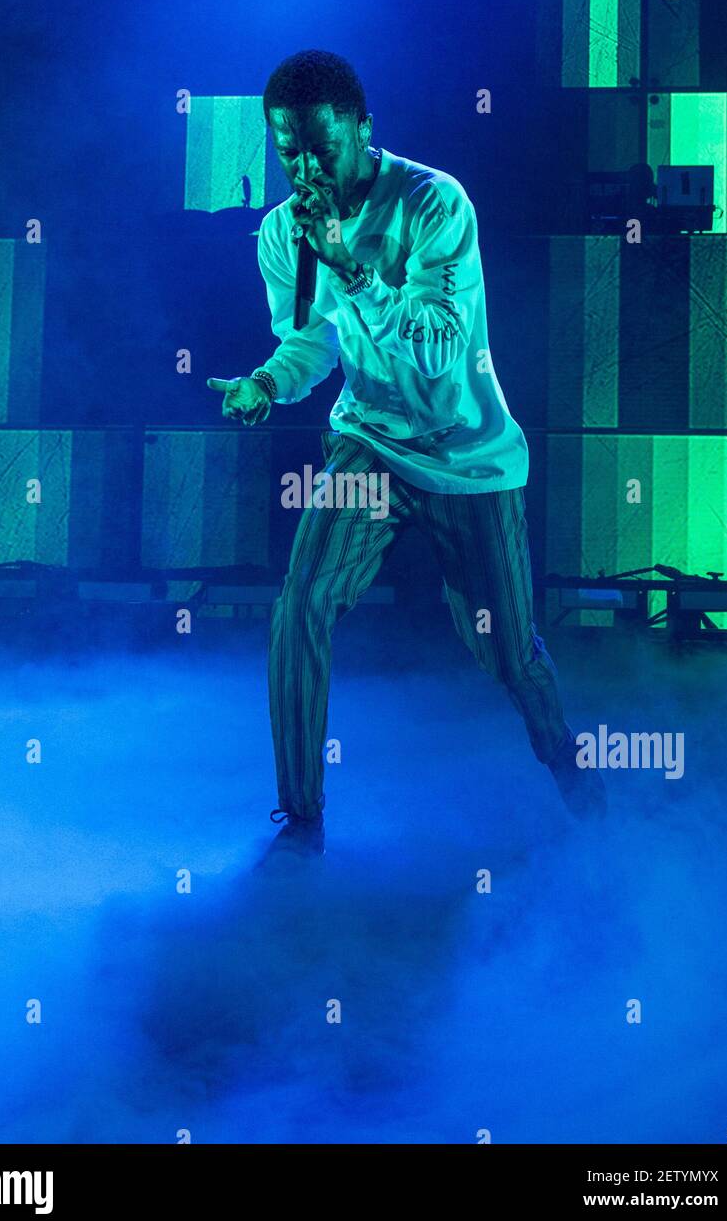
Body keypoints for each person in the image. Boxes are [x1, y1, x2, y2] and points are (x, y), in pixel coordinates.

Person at [208, 49, 606, 857]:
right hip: (370, 445)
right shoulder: (283, 234)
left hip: (469, 457)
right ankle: (300, 818)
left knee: (508, 653)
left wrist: (349, 262)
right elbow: (310, 345)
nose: (307, 167)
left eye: (323, 146)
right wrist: (263, 383)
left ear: (363, 128)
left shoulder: (434, 205)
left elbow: (433, 350)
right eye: (289, 151)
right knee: (302, 603)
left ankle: (577, 779)